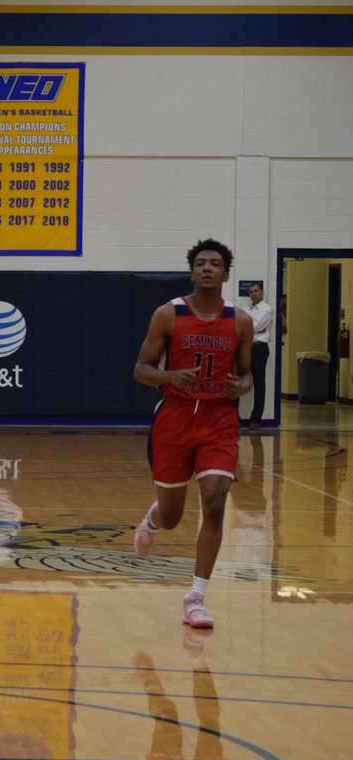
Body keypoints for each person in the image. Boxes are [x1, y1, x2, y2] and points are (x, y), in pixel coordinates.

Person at [132, 238, 253, 629]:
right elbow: (141, 369)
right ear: (192, 271)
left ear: (226, 274)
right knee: (172, 517)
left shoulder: (241, 320)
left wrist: (243, 386)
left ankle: (196, 597)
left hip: (219, 420)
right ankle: (153, 520)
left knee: (215, 502)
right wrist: (170, 376)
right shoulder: (168, 315)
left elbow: (248, 373)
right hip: (176, 418)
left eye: (214, 264)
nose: (206, 268)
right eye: (200, 263)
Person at [246, 282, 273, 429]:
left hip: (259, 348)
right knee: (237, 379)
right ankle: (233, 417)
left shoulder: (267, 309)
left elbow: (255, 327)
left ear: (262, 292)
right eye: (250, 292)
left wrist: (249, 327)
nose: (253, 294)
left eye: (256, 291)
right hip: (245, 348)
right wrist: (250, 327)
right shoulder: (246, 309)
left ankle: (256, 419)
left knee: (259, 384)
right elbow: (242, 327)